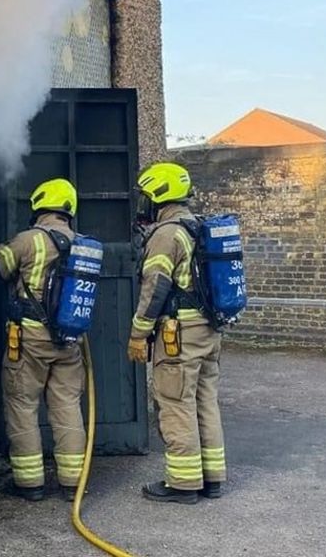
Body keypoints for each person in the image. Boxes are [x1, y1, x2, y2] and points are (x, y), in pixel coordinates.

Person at [128, 162, 227, 504]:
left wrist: (138, 333)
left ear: (159, 194)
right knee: (204, 402)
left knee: (175, 403)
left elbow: (155, 288)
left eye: (146, 196)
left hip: (178, 334)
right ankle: (212, 479)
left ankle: (183, 485)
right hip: (208, 331)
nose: (143, 204)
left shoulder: (167, 233)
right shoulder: (197, 226)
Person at [0, 178, 86, 502]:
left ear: (40, 204)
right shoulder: (82, 243)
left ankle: (30, 484)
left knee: (22, 406)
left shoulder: (29, 240)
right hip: (70, 342)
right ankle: (73, 484)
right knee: (68, 407)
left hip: (29, 339)